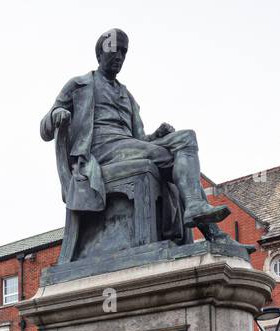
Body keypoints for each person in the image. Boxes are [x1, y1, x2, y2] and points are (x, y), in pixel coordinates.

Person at [40, 28, 233, 243]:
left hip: (126, 147)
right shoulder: (80, 85)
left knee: (186, 137)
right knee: (172, 159)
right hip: (99, 150)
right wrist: (57, 113)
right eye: (114, 50)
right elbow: (44, 129)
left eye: (123, 52)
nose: (119, 57)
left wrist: (156, 135)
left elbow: (139, 140)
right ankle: (211, 231)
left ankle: (200, 214)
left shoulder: (127, 96)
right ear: (99, 54)